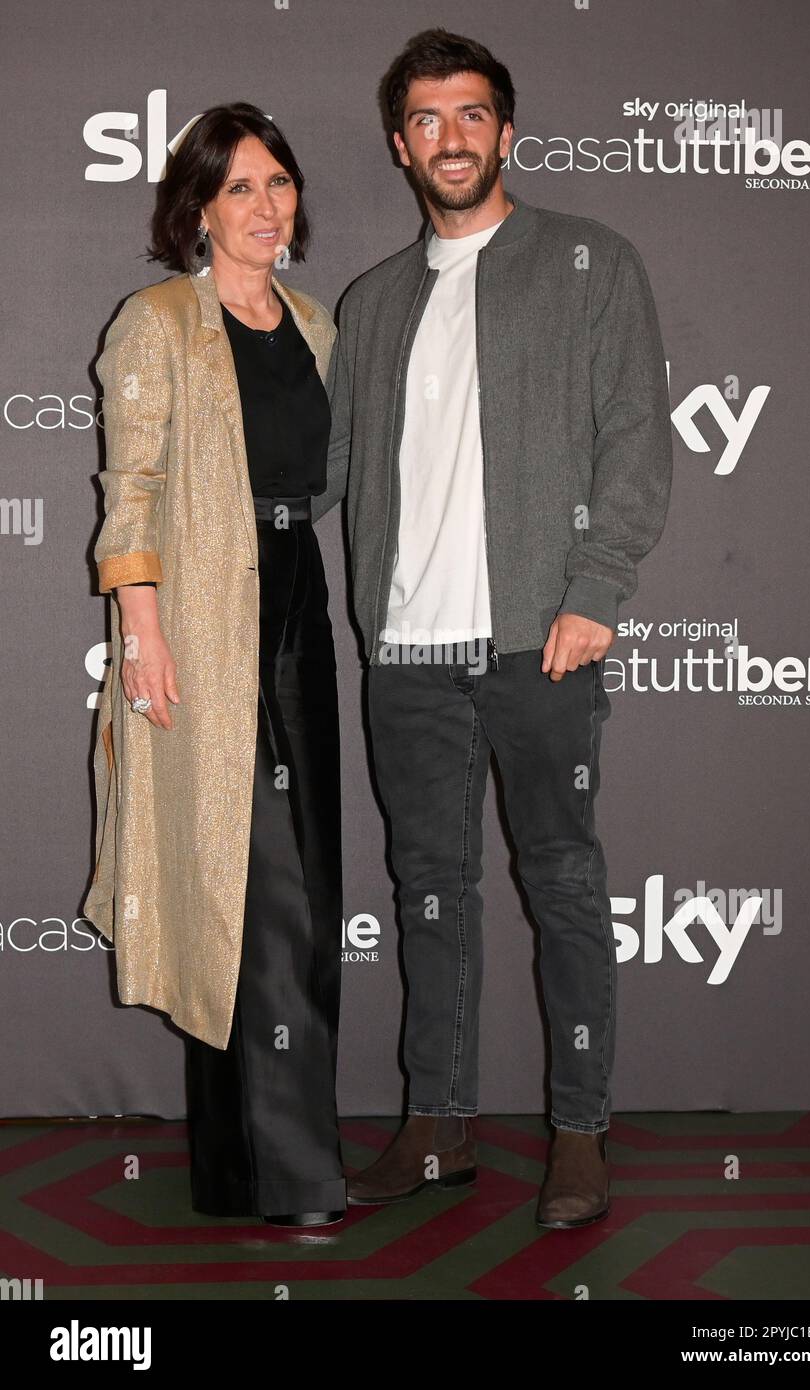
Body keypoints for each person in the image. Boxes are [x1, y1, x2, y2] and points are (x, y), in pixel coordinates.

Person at [316, 30, 674, 1227]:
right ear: (398, 144)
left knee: (562, 883)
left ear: (505, 132)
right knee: (429, 893)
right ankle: (437, 1128)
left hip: (538, 642)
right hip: (406, 658)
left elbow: (634, 437)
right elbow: (314, 474)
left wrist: (593, 590)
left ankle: (578, 1131)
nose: (450, 137)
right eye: (426, 119)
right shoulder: (368, 305)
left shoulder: (588, 261)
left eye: (471, 115)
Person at [83, 103, 346, 1227]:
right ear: (195, 208)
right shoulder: (155, 322)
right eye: (239, 187)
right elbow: (127, 484)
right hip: (196, 618)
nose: (265, 205)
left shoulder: (316, 320)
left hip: (299, 604)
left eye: (277, 182)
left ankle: (247, 1171)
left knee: (306, 887)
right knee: (238, 893)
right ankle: (281, 1175)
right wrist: (141, 625)